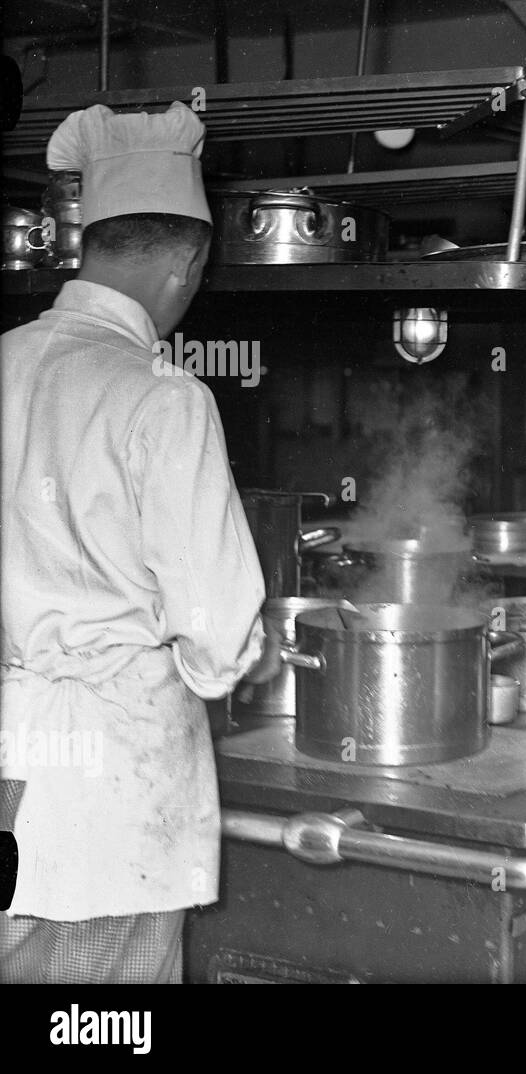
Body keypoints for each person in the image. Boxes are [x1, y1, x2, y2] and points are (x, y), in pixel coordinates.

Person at [0, 103, 277, 983]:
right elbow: (218, 638)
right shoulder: (162, 396)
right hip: (109, 803)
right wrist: (232, 661)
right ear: (188, 259)